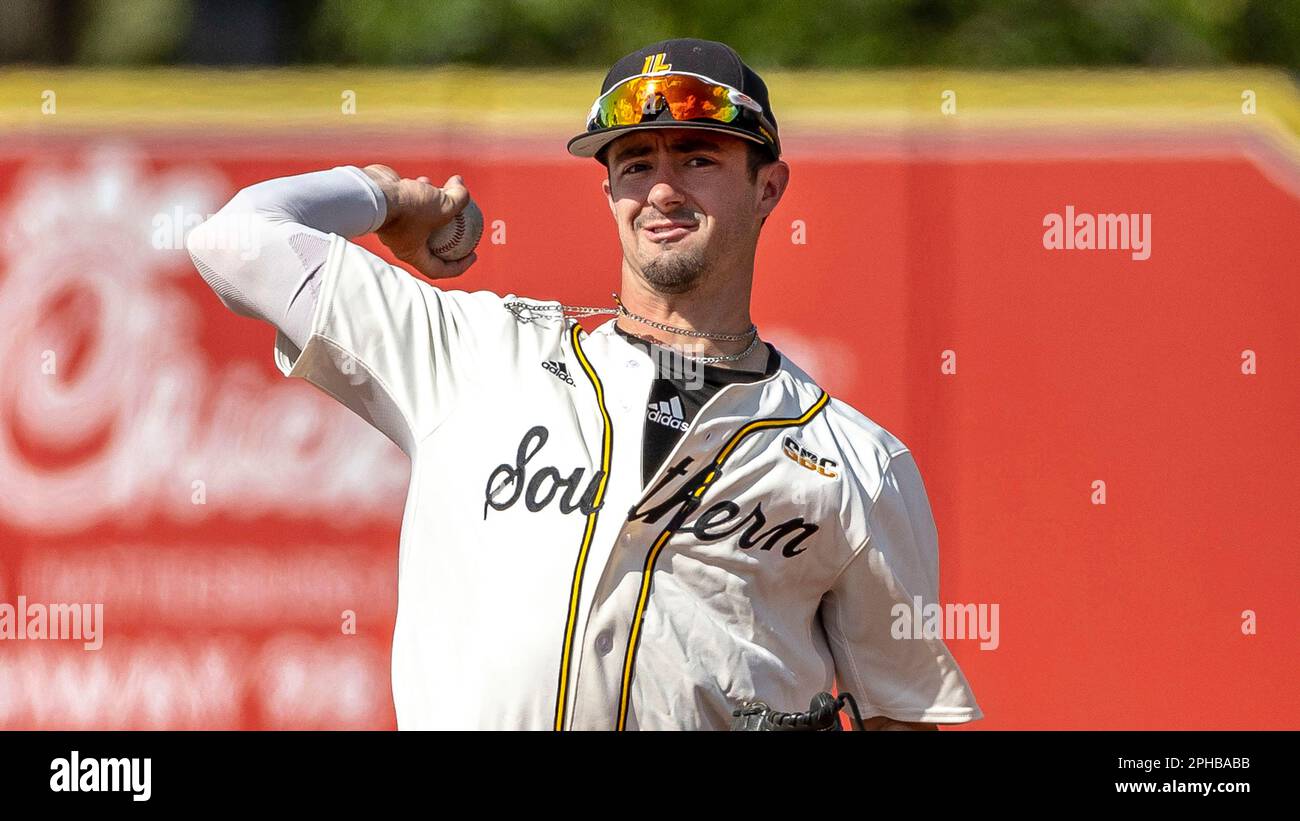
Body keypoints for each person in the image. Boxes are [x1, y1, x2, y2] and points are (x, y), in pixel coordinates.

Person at [186, 37, 982, 731]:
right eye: (636, 162)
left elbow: (901, 712)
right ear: (609, 193)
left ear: (768, 188)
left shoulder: (857, 465)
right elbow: (236, 240)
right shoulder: (474, 351)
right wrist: (388, 195)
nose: (662, 189)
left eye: (698, 157)